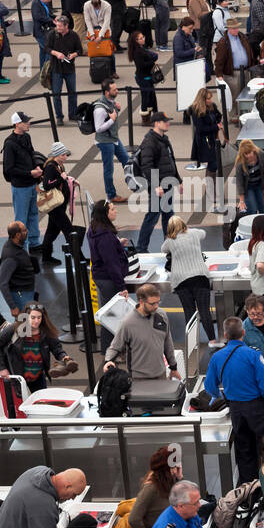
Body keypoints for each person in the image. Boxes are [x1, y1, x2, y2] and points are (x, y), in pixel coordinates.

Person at [204, 316, 264, 484]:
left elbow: (210, 386)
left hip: (237, 411)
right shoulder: (253, 355)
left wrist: (216, 396)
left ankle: (250, 495)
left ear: (225, 335)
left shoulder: (217, 357)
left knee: (245, 452)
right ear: (243, 333)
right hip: (258, 410)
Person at [0, 300, 71, 394]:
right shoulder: (14, 329)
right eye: (33, 318)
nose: (36, 321)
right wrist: (2, 368)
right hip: (18, 377)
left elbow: (56, 348)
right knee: (18, 405)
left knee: (40, 403)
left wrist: (63, 356)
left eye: (39, 317)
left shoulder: (45, 332)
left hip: (38, 376)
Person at [103, 283, 177, 382]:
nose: (156, 306)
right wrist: (108, 361)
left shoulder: (161, 315)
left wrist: (173, 367)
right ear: (141, 301)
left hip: (160, 374)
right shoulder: (128, 323)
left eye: (158, 302)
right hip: (138, 378)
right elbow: (115, 347)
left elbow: (168, 342)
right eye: (152, 303)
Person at [161, 219, 215, 346]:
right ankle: (212, 340)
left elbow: (163, 249)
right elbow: (204, 233)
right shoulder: (195, 233)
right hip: (200, 277)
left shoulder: (170, 241)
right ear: (183, 225)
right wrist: (189, 230)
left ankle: (192, 343)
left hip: (181, 281)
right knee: (204, 310)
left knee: (189, 311)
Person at [135, 112, 181, 252]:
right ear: (156, 123)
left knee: (167, 215)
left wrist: (178, 180)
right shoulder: (149, 142)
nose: (168, 123)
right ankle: (141, 248)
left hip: (167, 184)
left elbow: (171, 160)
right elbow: (147, 166)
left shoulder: (164, 139)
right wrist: (156, 186)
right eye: (164, 121)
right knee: (152, 217)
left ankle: (169, 245)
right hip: (159, 186)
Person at [122, 446, 186, 528]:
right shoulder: (151, 488)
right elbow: (133, 519)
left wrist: (180, 477)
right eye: (174, 466)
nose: (176, 468)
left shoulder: (170, 482)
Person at [87, 201, 126, 350]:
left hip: (100, 276)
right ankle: (111, 350)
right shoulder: (106, 236)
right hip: (108, 279)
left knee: (108, 312)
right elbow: (111, 264)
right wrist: (122, 287)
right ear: (105, 213)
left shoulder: (95, 229)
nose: (115, 211)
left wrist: (117, 244)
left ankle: (108, 348)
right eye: (112, 209)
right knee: (113, 316)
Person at [3, 112, 42, 253]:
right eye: (25, 122)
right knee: (21, 218)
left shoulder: (27, 137)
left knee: (33, 213)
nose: (28, 123)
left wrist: (36, 167)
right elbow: (9, 169)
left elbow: (31, 154)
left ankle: (34, 243)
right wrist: (29, 173)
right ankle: (21, 247)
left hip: (31, 183)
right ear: (17, 124)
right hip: (20, 187)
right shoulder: (9, 144)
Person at [93, 79, 130, 205]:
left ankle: (134, 184)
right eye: (114, 90)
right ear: (106, 92)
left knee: (127, 161)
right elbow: (98, 128)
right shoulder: (99, 109)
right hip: (105, 142)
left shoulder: (110, 101)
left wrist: (116, 108)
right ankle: (111, 195)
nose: (117, 91)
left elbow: (112, 111)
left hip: (113, 138)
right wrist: (112, 119)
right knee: (108, 169)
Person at [213, 19, 257, 124]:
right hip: (233, 73)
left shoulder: (242, 37)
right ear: (229, 29)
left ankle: (245, 113)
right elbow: (219, 60)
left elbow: (249, 51)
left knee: (246, 94)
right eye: (234, 28)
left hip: (245, 70)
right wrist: (219, 74)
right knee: (234, 95)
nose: (237, 29)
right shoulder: (223, 41)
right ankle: (234, 116)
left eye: (237, 27)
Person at [37, 143, 73, 268]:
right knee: (69, 231)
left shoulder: (58, 165)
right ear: (56, 155)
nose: (66, 157)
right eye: (63, 154)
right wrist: (61, 179)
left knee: (52, 231)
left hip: (59, 205)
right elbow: (47, 184)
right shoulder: (51, 167)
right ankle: (79, 257)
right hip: (56, 206)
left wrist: (68, 179)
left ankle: (46, 256)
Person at [188, 88, 227, 199]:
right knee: (213, 164)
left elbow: (219, 115)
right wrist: (216, 126)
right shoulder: (196, 110)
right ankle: (211, 192)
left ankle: (212, 191)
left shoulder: (212, 106)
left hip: (212, 139)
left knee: (213, 165)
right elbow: (200, 129)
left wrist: (217, 121)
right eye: (208, 98)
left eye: (210, 98)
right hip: (205, 141)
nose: (210, 100)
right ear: (202, 99)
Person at [0, 221, 37, 316]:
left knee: (28, 324)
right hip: (21, 295)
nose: (27, 231)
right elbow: (2, 283)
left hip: (25, 292)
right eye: (24, 230)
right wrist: (13, 306)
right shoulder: (11, 256)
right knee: (25, 325)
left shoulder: (15, 246)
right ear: (18, 235)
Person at [129, 28, 159, 124]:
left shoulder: (142, 48)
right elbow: (141, 65)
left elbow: (154, 56)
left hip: (146, 77)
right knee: (146, 97)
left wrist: (152, 58)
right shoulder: (138, 52)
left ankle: (152, 115)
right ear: (136, 41)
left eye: (143, 37)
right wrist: (152, 62)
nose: (143, 39)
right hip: (143, 77)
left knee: (150, 96)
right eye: (141, 38)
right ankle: (146, 119)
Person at [233, 141, 264, 225]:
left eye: (249, 152)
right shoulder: (240, 163)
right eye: (245, 153)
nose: (248, 155)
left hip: (260, 185)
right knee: (252, 210)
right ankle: (253, 229)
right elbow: (239, 182)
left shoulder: (260, 153)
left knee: (263, 209)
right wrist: (241, 201)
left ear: (253, 149)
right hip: (248, 188)